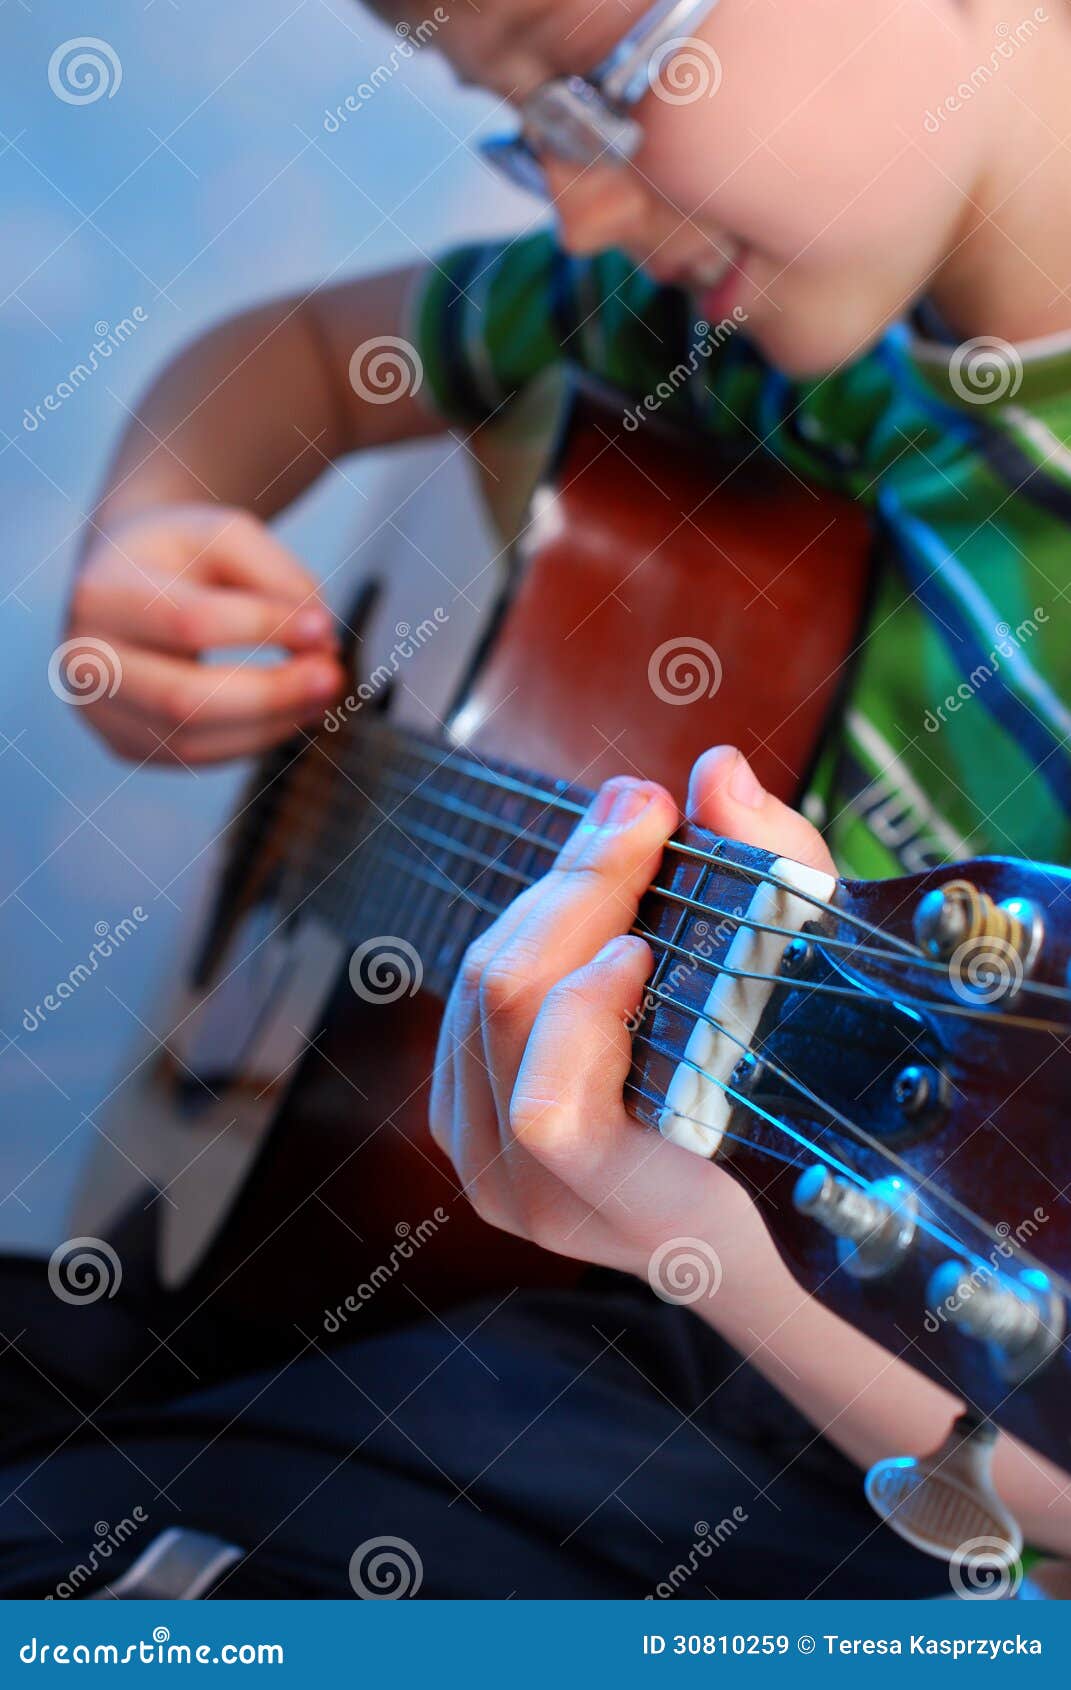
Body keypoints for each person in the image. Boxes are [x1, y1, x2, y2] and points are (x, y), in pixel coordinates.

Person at [28, 0, 1071, 1595]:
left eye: (594, 76)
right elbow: (300, 355)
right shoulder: (785, 343)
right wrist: (150, 533)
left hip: (791, 1430)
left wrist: (697, 1246)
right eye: (519, 116)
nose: (570, 205)